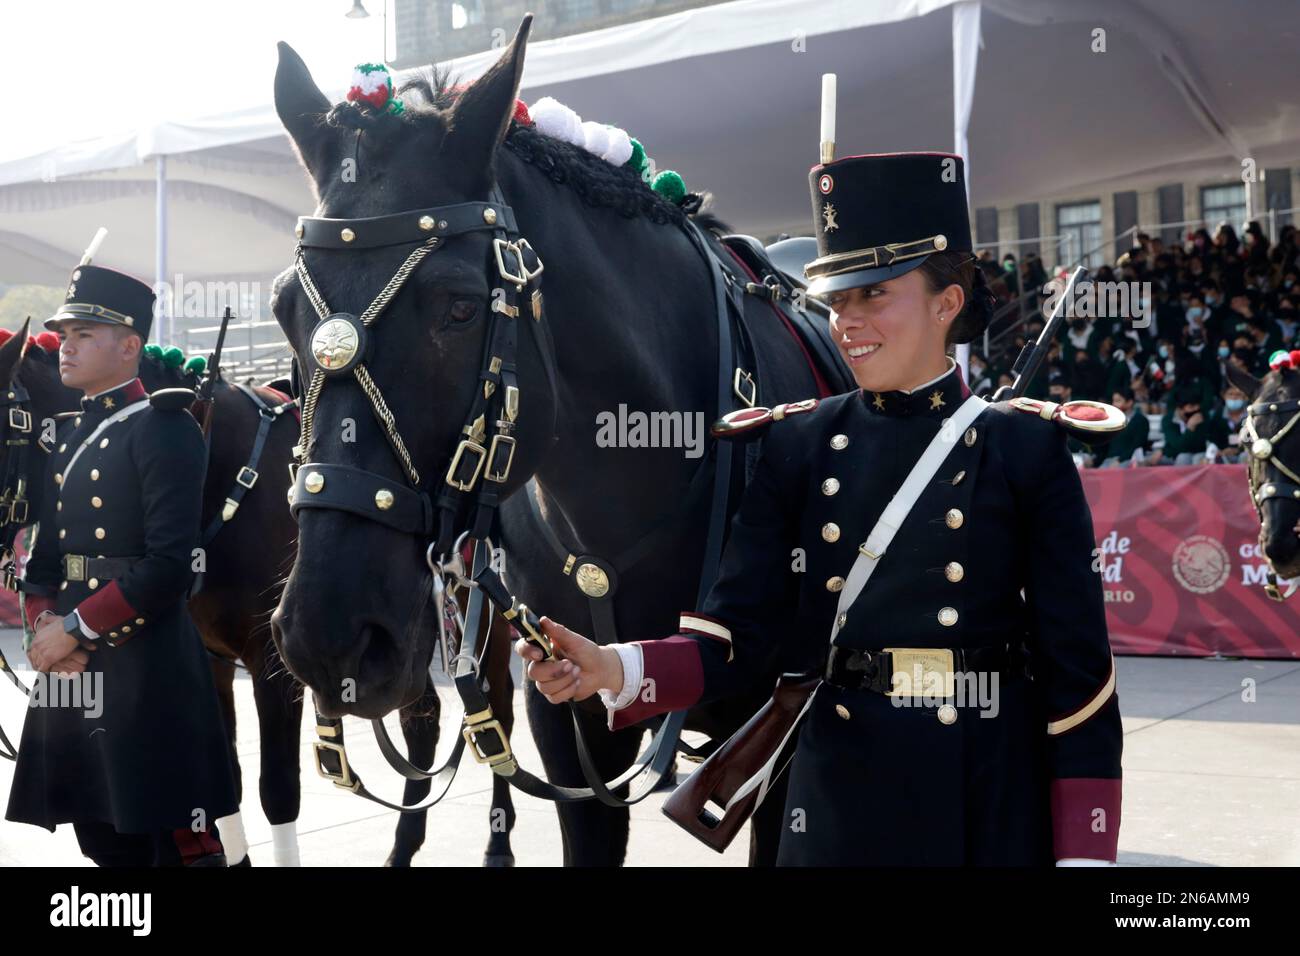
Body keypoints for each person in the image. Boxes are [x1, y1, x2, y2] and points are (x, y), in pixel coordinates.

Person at [518, 152, 1123, 866]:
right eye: (839, 300)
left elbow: (1080, 681)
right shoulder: (797, 443)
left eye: (875, 295)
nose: (848, 322)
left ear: (946, 302)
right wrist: (612, 668)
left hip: (982, 792)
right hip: (834, 794)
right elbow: (734, 641)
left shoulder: (1027, 450)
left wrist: (1087, 853)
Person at [4, 259, 238, 866]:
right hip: (69, 665)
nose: (66, 346)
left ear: (130, 345)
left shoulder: (165, 429)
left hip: (144, 663)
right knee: (96, 834)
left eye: (85, 334)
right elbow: (45, 559)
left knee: (166, 839)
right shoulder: (65, 435)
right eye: (65, 333)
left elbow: (168, 566)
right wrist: (41, 631)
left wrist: (73, 631)